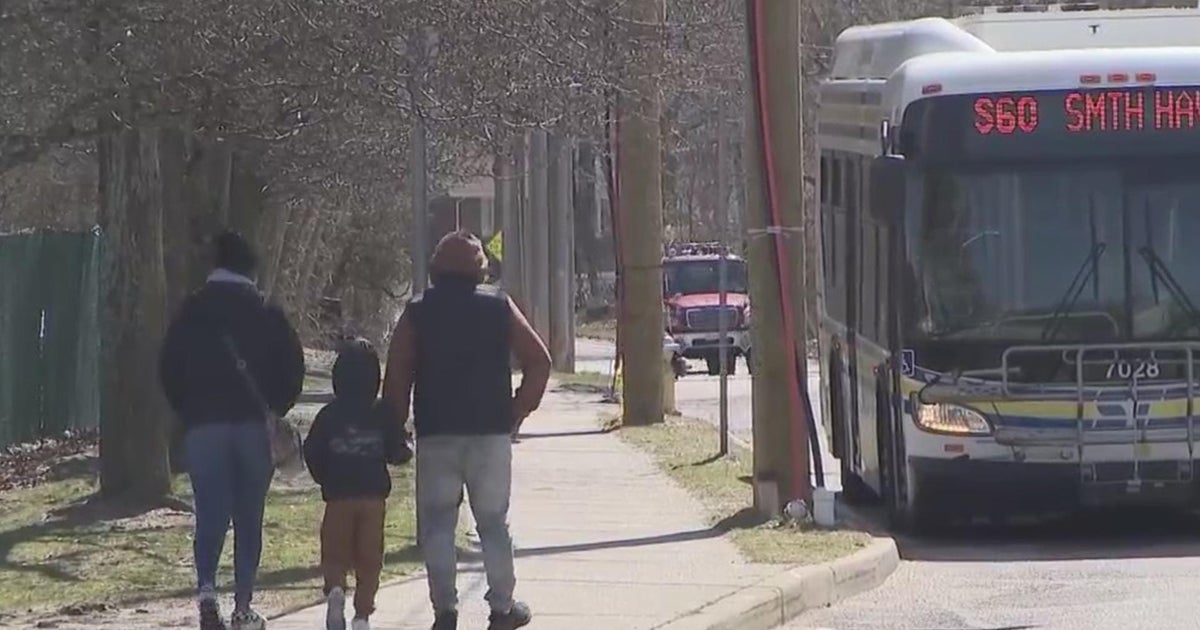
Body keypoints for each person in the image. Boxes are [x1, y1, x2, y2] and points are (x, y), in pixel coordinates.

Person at [382, 230, 551, 630]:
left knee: (438, 522)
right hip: (490, 433)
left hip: (436, 433)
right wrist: (517, 410)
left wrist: (395, 429)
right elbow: (539, 361)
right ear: (481, 270)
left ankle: (445, 611)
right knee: (493, 522)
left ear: (436, 269)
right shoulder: (499, 307)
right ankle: (502, 608)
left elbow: (398, 376)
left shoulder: (417, 311)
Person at [159, 231, 306, 630]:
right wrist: (276, 409)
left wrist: (188, 410)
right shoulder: (267, 313)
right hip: (253, 430)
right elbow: (293, 369)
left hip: (204, 427)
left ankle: (207, 590)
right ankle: (243, 605)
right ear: (251, 269)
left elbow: (168, 368)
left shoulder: (190, 313)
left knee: (210, 513)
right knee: (248, 517)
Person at [303, 338, 413, 630]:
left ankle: (336, 591)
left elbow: (312, 450)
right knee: (370, 557)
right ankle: (362, 613)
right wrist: (405, 450)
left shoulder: (329, 415)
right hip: (373, 497)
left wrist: (324, 477)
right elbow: (396, 450)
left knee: (335, 553)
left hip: (338, 496)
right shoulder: (382, 412)